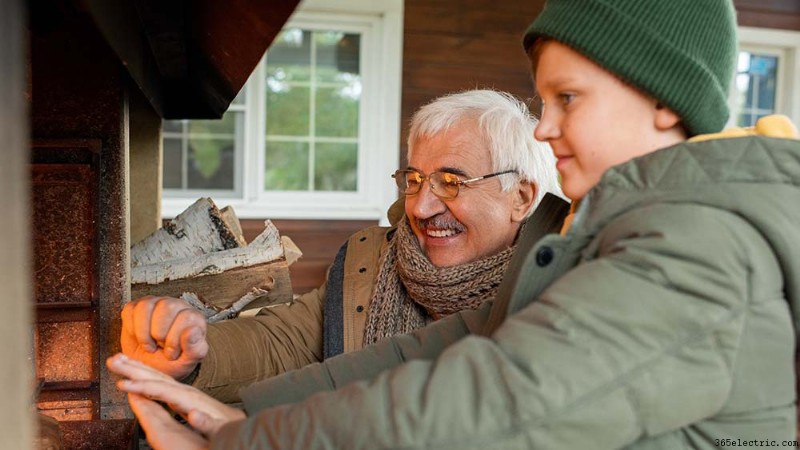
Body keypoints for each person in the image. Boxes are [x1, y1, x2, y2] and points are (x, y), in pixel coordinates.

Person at [108, 0, 800, 448]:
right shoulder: (604, 235)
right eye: (414, 179)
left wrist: (244, 444)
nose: (545, 126)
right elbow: (433, 354)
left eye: (568, 98)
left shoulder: (695, 241)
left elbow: (496, 398)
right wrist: (238, 411)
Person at [120, 89, 565, 402]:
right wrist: (194, 349)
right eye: (414, 180)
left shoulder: (564, 291)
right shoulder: (370, 260)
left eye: (451, 182)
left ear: (521, 198)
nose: (423, 206)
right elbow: (283, 343)